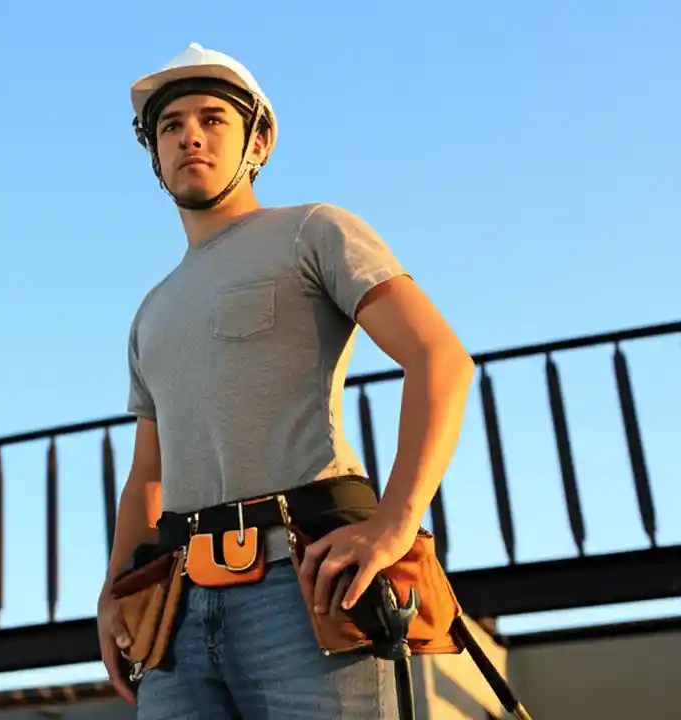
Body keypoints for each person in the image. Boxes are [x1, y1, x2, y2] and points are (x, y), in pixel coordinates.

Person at [96, 43, 476, 719]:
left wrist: (396, 521)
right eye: (170, 125)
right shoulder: (150, 311)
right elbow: (147, 476)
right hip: (177, 610)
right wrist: (112, 593)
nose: (189, 135)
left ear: (259, 141)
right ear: (153, 155)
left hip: (305, 587)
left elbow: (439, 358)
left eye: (213, 118)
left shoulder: (313, 231)